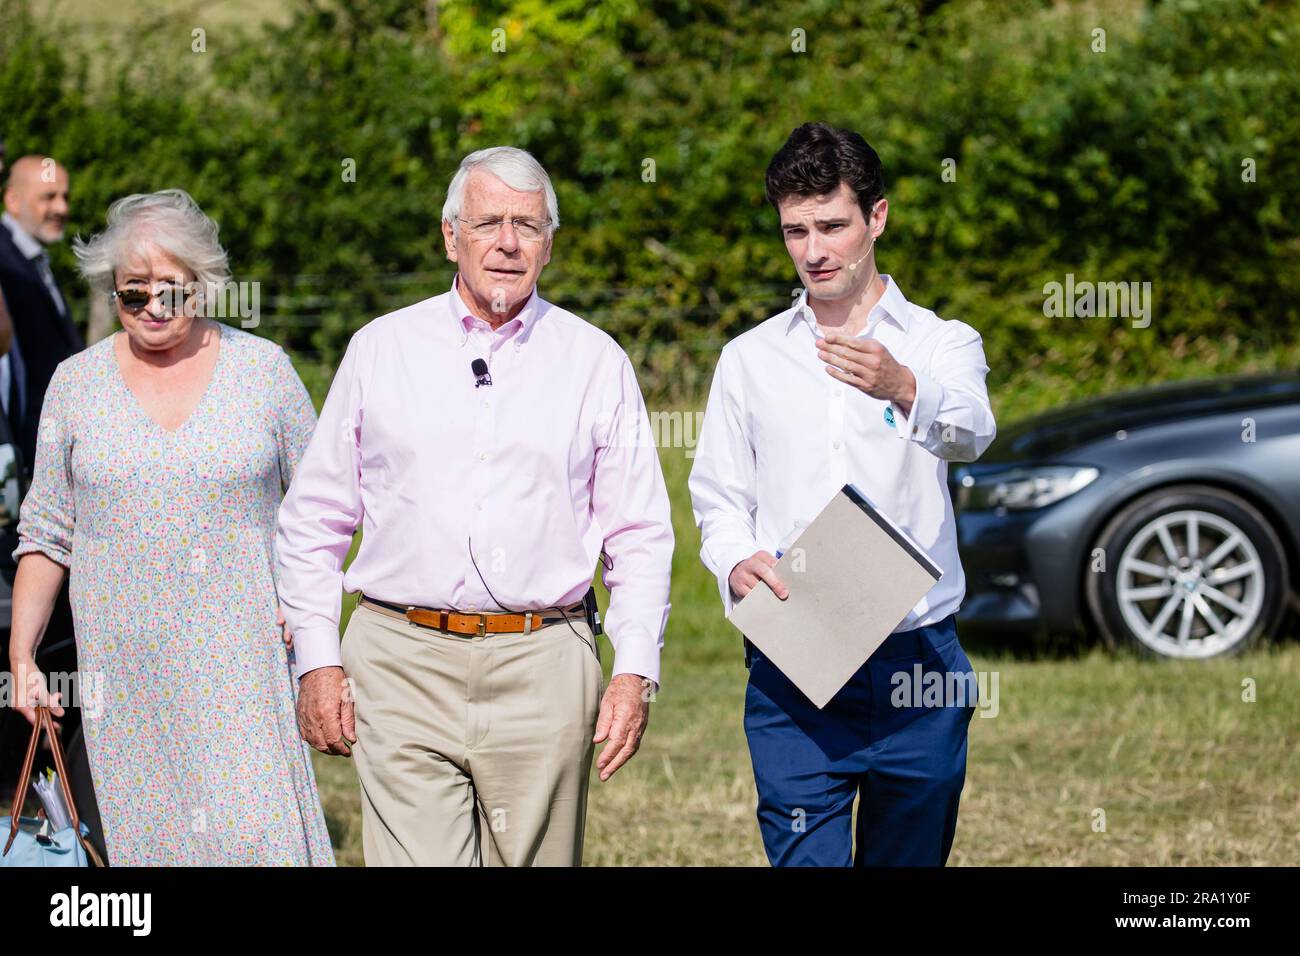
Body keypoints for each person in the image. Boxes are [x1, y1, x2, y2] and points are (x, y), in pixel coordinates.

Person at [276, 146, 674, 866]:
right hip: (400, 659)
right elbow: (314, 520)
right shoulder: (381, 349)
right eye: (487, 221)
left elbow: (640, 534)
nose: (508, 242)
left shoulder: (595, 361)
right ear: (449, 235)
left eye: (528, 224)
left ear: (549, 242)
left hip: (544, 662)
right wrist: (317, 661)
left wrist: (633, 669)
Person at [689, 122, 997, 866]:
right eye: (795, 230)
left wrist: (903, 387)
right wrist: (734, 560)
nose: (813, 250)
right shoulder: (749, 359)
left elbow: (974, 431)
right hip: (794, 658)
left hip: (916, 660)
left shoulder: (939, 342)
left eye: (831, 225)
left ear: (877, 218)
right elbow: (718, 496)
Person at [8, 188, 335, 865]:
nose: (154, 308)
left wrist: (312, 610)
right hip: (125, 680)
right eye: (134, 293)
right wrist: (22, 657)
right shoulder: (74, 385)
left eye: (173, 291)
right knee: (151, 851)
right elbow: (46, 531)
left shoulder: (264, 371)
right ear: (112, 291)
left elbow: (326, 507)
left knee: (257, 839)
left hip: (242, 667)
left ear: (204, 285)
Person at [0, 154, 96, 853]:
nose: (60, 206)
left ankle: (52, 810)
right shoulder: (6, 258)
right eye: (47, 195)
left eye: (65, 195)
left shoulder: (29, 263)